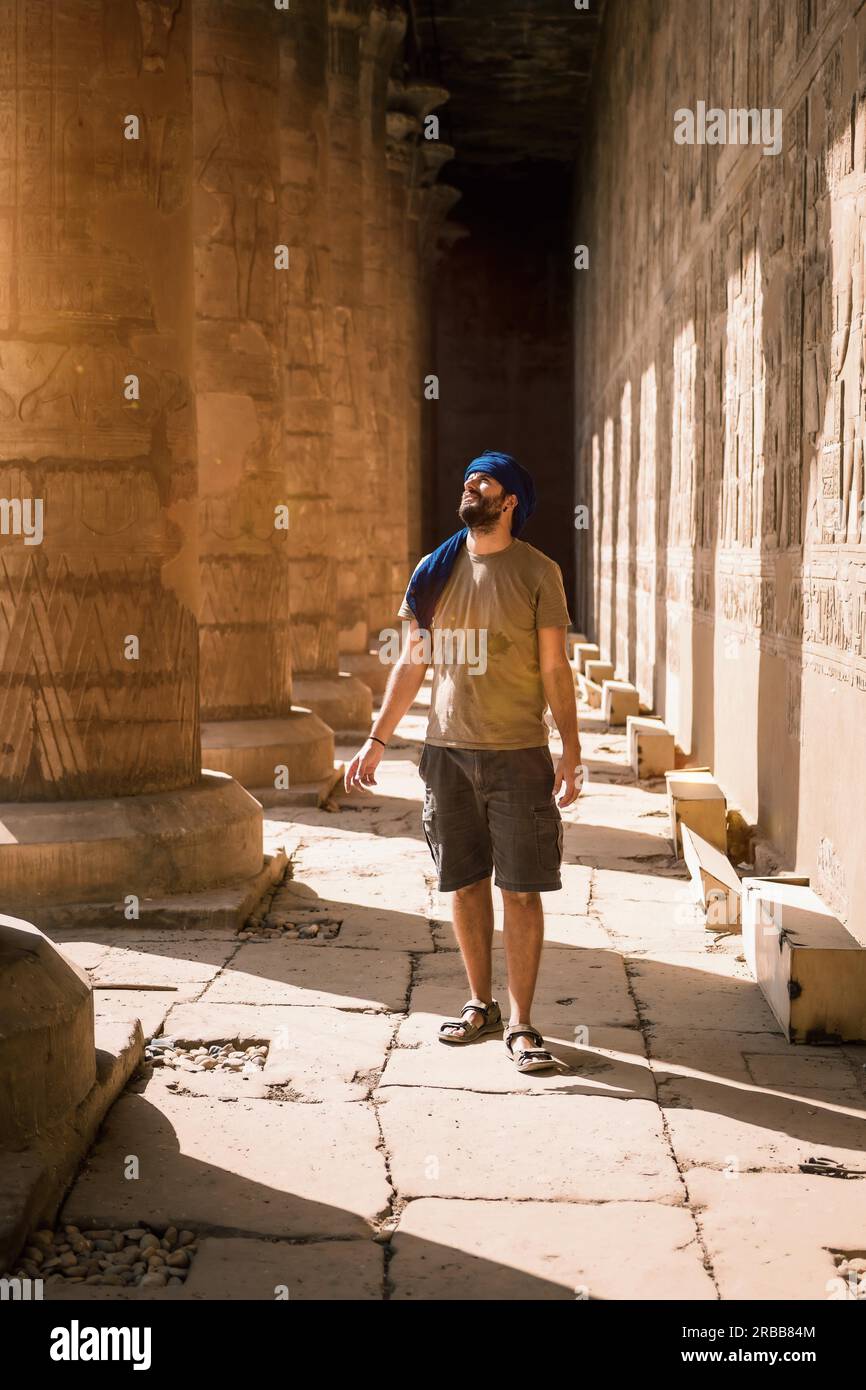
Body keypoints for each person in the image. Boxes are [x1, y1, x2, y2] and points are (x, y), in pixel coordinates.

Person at [345, 450, 583, 1074]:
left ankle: (525, 1024)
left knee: (523, 890)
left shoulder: (539, 572)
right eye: (469, 475)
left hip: (518, 754)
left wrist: (572, 748)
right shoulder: (433, 570)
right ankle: (481, 1004)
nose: (471, 482)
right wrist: (376, 739)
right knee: (465, 882)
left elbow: (556, 667)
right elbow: (411, 662)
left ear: (510, 503)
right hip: (446, 753)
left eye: (486, 478)